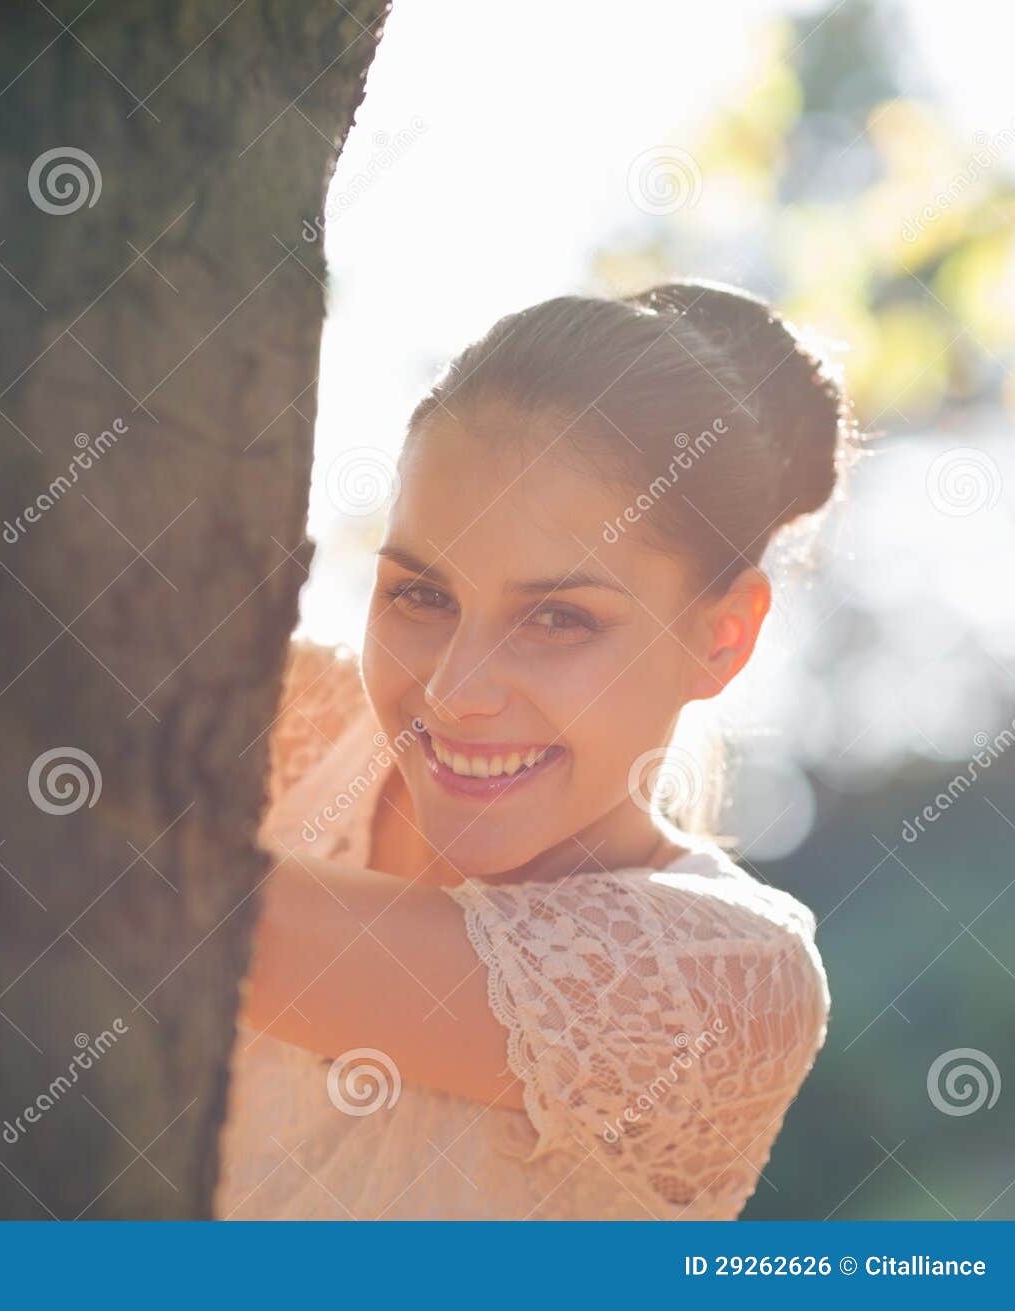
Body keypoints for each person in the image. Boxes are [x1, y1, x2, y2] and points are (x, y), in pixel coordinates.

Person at [215, 280, 855, 1220]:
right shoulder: (300, 722)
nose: (452, 692)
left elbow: (189, 921)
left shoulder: (729, 986)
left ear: (722, 637)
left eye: (558, 618)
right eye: (421, 595)